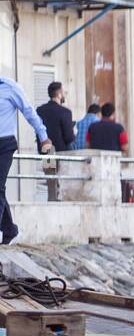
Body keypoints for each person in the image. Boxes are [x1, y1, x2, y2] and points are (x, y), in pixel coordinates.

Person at [0, 75, 54, 245]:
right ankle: (10, 231)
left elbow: (29, 111)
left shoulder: (10, 87)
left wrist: (43, 137)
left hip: (5, 144)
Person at [36, 82, 75, 153]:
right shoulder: (65, 112)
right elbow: (69, 138)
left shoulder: (39, 110)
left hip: (46, 153)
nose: (64, 95)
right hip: (61, 154)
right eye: (63, 92)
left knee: (49, 165)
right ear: (59, 94)